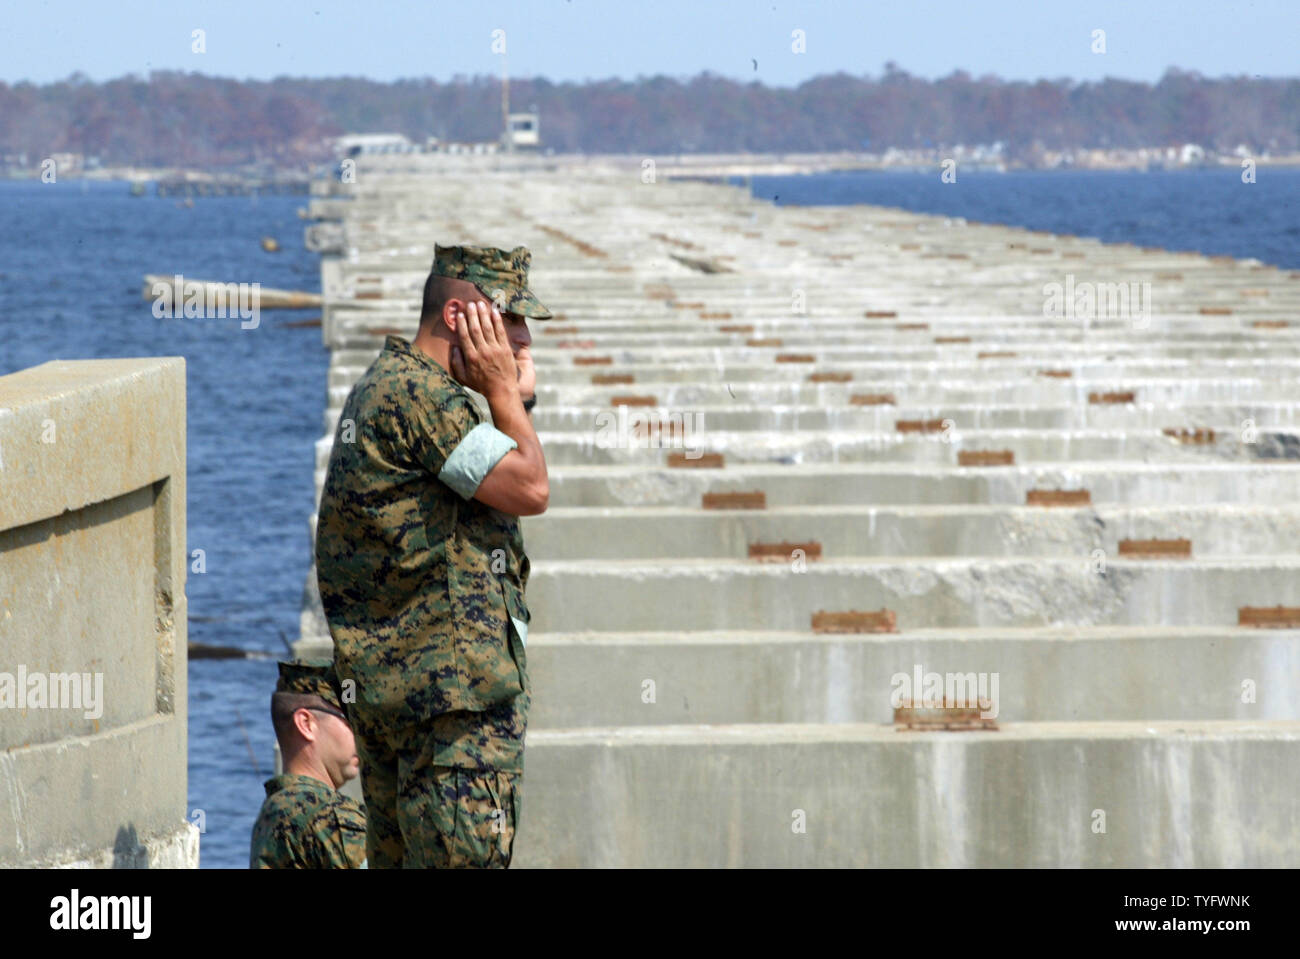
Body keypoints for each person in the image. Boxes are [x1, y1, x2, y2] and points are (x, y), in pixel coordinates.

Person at [314, 243, 551, 868]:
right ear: (459, 318)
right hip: (452, 717)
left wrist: (513, 400)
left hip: (412, 708)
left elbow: (495, 483)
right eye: (511, 318)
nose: (523, 336)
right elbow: (530, 488)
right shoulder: (418, 398)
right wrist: (504, 391)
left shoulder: (397, 390)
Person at [249, 661, 368, 869]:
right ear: (306, 724)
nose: (363, 734)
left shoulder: (273, 812)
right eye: (351, 720)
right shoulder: (330, 817)